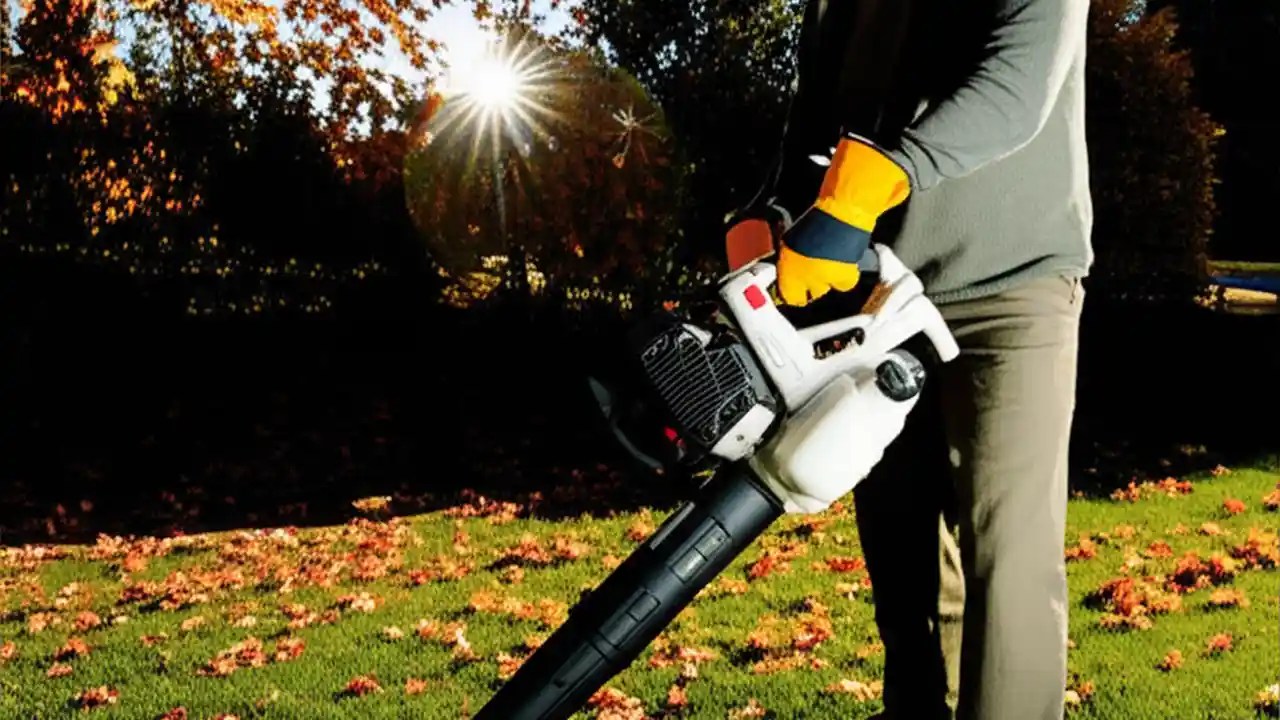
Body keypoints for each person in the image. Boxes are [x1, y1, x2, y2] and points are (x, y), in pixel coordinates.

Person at [724, 1, 1093, 719]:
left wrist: (869, 189)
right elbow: (818, 125)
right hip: (875, 306)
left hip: (1012, 287)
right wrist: (771, 210)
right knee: (904, 570)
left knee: (1007, 561)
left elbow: (1015, 88)